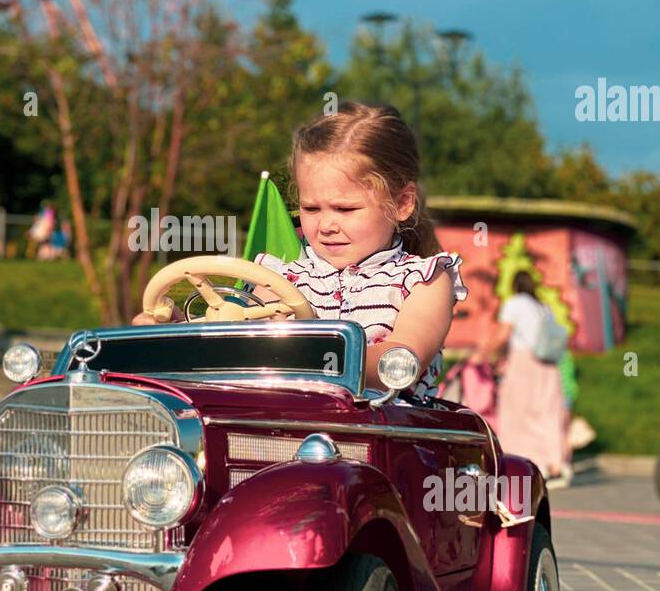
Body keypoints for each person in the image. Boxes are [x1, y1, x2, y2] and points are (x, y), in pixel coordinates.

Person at [133, 102, 467, 400]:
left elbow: (399, 360)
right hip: (277, 430)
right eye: (311, 208)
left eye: (345, 209)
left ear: (402, 203)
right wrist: (175, 334)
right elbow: (227, 344)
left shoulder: (423, 282)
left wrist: (307, 350)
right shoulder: (277, 276)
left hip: (384, 437)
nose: (326, 225)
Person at [489, 271, 570, 488]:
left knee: (517, 412)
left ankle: (526, 463)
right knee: (547, 412)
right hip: (549, 364)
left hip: (523, 362)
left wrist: (486, 354)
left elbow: (503, 335)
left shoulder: (514, 303)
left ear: (514, 285)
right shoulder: (543, 307)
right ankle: (556, 464)